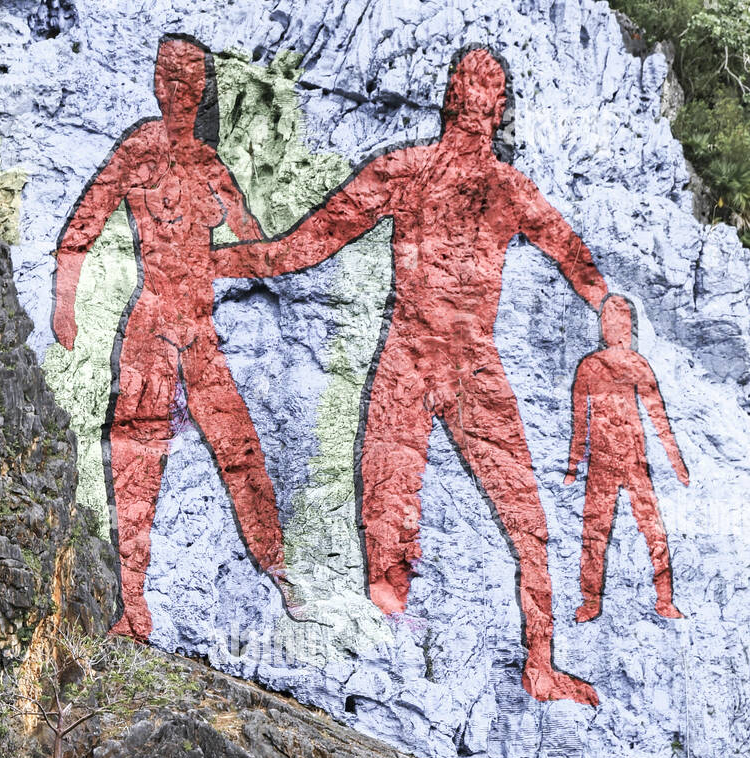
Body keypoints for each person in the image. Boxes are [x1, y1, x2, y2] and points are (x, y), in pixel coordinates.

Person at [215, 46, 609, 705]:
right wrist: (218, 262)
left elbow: (570, 252)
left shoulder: (484, 186)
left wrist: (604, 303)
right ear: (460, 103)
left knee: (510, 517)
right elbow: (301, 246)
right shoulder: (418, 174)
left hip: (460, 361)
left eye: (482, 101)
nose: (476, 111)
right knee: (390, 502)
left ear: (486, 109)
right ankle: (401, 641)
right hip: (415, 353)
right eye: (471, 98)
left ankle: (534, 666)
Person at [53, 34, 289, 640]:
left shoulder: (212, 166)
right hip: (152, 327)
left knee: (241, 449)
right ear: (157, 82)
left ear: (203, 88)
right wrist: (64, 302)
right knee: (136, 459)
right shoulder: (140, 149)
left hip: (201, 333)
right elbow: (82, 224)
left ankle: (281, 572)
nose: (180, 88)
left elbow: (254, 244)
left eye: (191, 78)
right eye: (170, 75)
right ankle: (131, 601)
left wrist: (234, 255)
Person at [565, 294, 689, 622]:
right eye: (608, 320)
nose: (614, 327)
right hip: (601, 466)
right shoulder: (589, 367)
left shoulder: (637, 364)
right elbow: (580, 419)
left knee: (654, 532)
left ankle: (664, 599)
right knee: (594, 534)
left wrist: (677, 464)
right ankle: (590, 601)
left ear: (629, 327)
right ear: (602, 327)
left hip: (635, 463)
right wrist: (573, 464)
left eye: (620, 321)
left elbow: (658, 416)